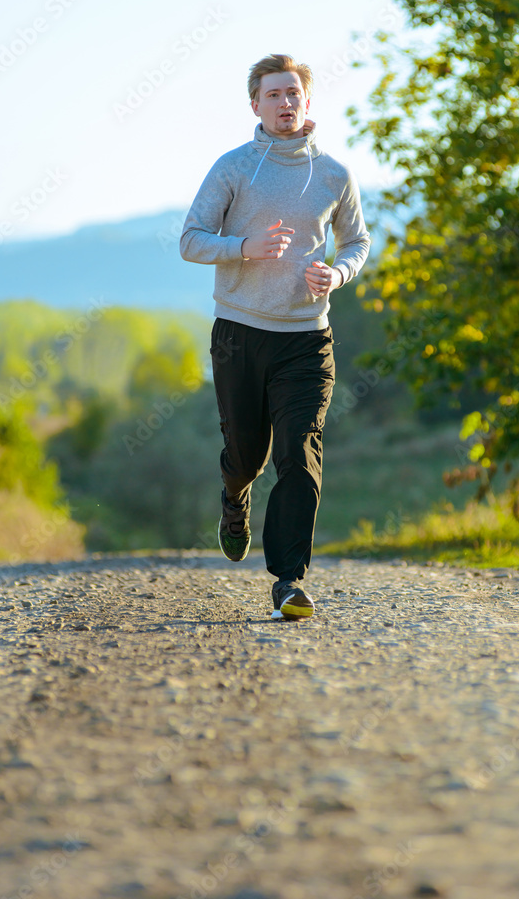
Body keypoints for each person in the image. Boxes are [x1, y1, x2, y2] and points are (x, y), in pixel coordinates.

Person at [180, 53, 370, 620]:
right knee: (247, 456)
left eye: (293, 93)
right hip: (239, 333)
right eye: (273, 95)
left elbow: (357, 242)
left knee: (299, 451)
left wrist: (336, 273)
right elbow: (191, 239)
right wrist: (245, 248)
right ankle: (234, 497)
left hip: (306, 341)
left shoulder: (334, 173)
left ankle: (288, 580)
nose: (285, 103)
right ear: (255, 105)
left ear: (307, 101)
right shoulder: (234, 167)